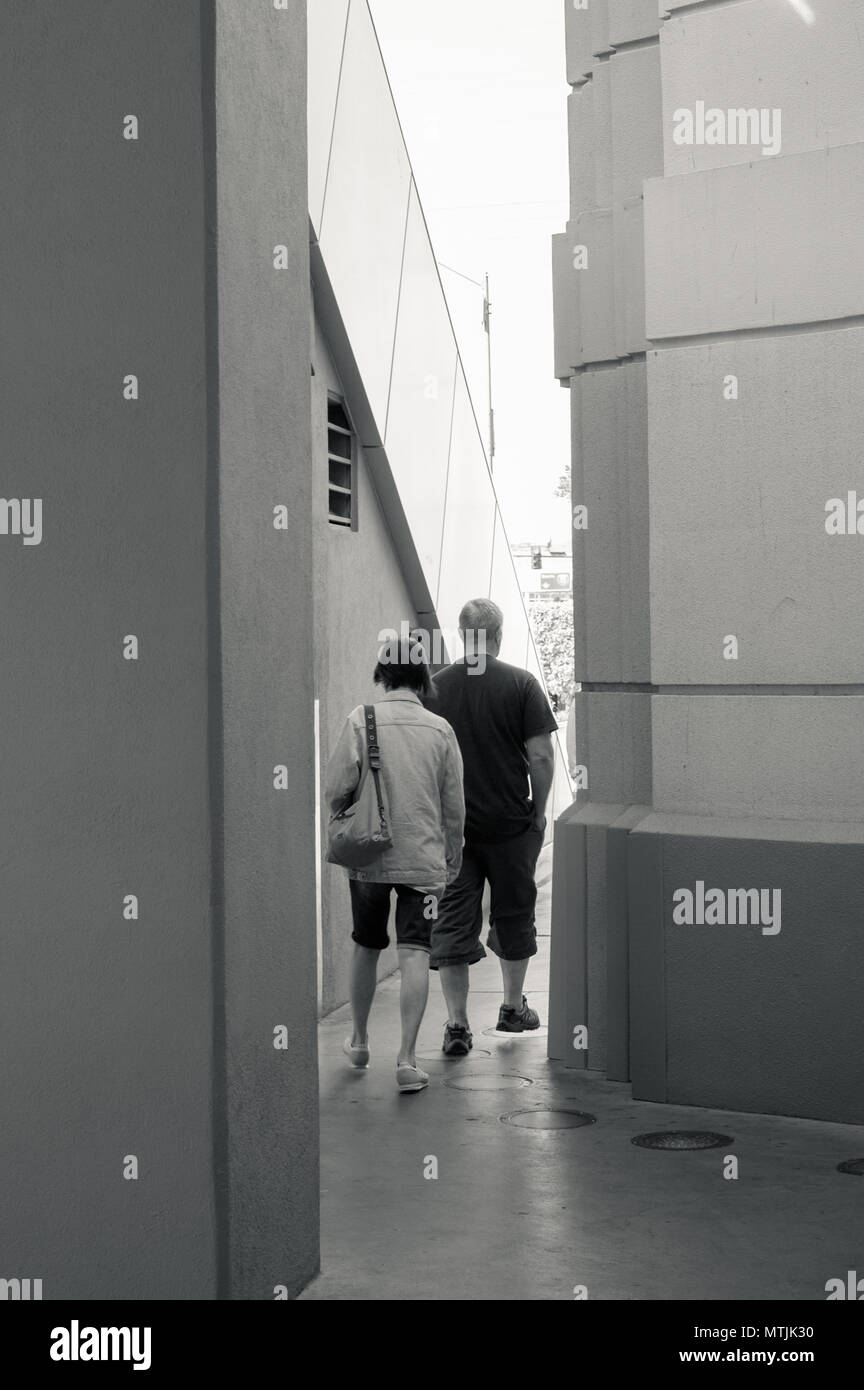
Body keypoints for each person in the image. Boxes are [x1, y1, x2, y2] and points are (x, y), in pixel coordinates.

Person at [325, 635, 465, 1092]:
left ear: (382, 674)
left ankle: (360, 1041)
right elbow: (454, 807)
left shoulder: (360, 720)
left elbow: (335, 791)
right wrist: (454, 851)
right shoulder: (441, 730)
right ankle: (406, 1060)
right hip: (424, 865)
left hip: (368, 860)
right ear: (422, 676)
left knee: (366, 944)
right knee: (415, 952)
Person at [430, 599, 558, 1054]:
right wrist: (538, 813)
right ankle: (510, 1008)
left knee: (453, 922)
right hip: (509, 828)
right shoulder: (522, 685)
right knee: (514, 913)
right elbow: (541, 757)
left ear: (461, 634)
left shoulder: (436, 687)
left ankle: (457, 1025)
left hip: (454, 832)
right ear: (499, 637)